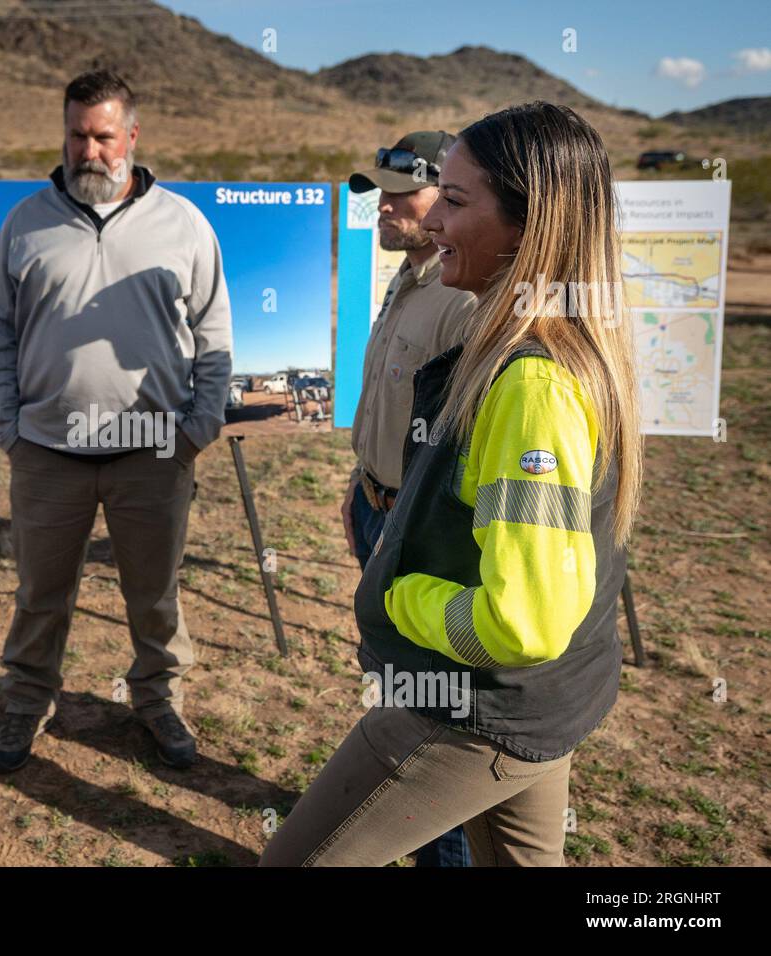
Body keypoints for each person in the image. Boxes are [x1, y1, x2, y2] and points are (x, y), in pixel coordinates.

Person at [261, 102, 642, 866]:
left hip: (474, 708)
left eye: (456, 202)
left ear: (530, 226)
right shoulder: (555, 346)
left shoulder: (531, 382)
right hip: (534, 706)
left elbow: (522, 624)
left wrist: (397, 592)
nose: (433, 220)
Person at [0, 69, 233, 772]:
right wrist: (7, 425)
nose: (89, 151)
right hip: (47, 450)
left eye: (104, 137)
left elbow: (213, 331)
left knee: (154, 595)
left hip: (152, 450)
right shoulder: (25, 223)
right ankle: (27, 701)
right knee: (40, 594)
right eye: (77, 135)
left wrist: (197, 429)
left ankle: (158, 698)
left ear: (133, 136)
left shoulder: (183, 223)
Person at [341, 131, 477, 866]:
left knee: (431, 713)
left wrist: (401, 520)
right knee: (399, 691)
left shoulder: (461, 299)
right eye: (381, 194)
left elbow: (456, 448)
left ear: (446, 198)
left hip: (417, 529)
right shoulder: (410, 275)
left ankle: (440, 852)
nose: (385, 207)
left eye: (402, 194)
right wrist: (361, 489)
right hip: (380, 508)